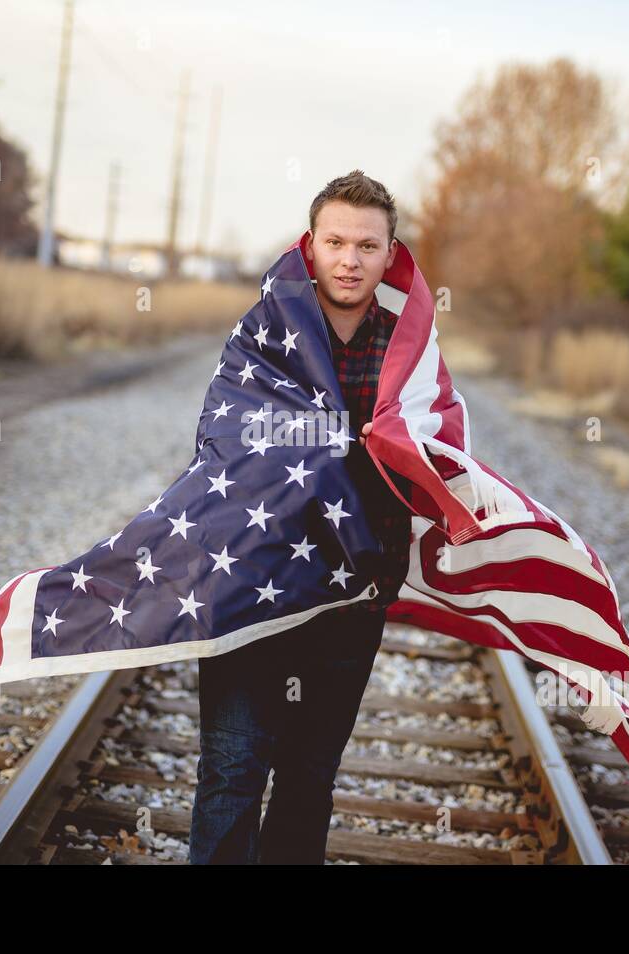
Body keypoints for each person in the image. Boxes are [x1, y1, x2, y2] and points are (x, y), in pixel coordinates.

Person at [188, 170, 414, 864]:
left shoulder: (410, 353)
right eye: (336, 241)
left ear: (389, 255)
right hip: (254, 583)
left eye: (367, 246)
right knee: (233, 770)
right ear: (310, 245)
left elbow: (430, 460)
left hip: (353, 594)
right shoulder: (260, 336)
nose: (350, 260)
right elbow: (221, 443)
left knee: (310, 777)